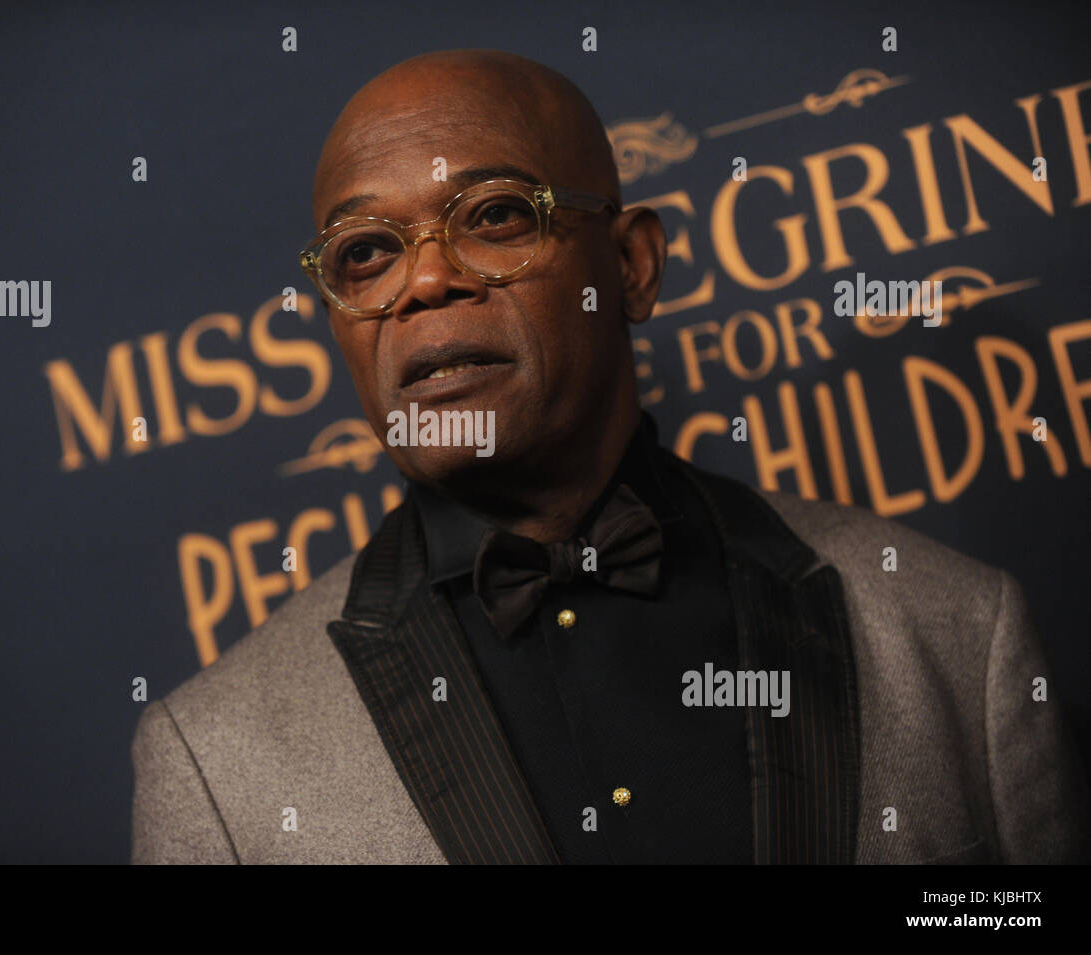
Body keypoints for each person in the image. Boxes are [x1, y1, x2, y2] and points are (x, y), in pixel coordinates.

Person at [130, 49, 1090, 864]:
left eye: (495, 214)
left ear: (630, 266)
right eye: (365, 253)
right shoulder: (214, 765)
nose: (423, 280)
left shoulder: (960, 634)